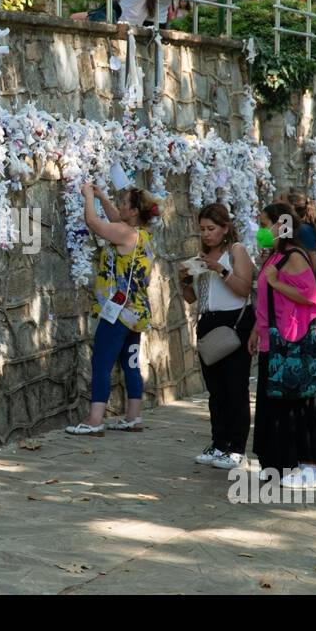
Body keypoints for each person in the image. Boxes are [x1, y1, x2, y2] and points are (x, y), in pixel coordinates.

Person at [248, 202, 316, 489]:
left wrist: (276, 282)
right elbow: (265, 301)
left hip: (294, 342)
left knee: (301, 403)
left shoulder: (294, 257)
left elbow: (311, 298)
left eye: (264, 224)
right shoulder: (274, 256)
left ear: (281, 226)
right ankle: (281, 463)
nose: (260, 230)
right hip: (272, 342)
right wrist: (255, 330)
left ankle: (309, 466)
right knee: (276, 406)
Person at [67, 184, 158, 435]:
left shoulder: (123, 233)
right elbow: (116, 218)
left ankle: (95, 420)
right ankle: (133, 417)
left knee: (102, 363)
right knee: (130, 363)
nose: (119, 207)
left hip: (117, 312)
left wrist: (88, 198)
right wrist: (102, 196)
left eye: (124, 203)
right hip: (137, 311)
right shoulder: (142, 234)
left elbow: (94, 223)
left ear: (134, 211)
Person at [180, 204, 256, 470]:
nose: (206, 234)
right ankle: (218, 443)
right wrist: (185, 281)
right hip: (208, 322)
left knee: (235, 388)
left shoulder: (236, 251)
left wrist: (220, 270)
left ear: (225, 228)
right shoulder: (203, 255)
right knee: (216, 390)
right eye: (202, 229)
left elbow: (244, 288)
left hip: (233, 323)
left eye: (211, 229)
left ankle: (237, 449)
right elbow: (192, 299)